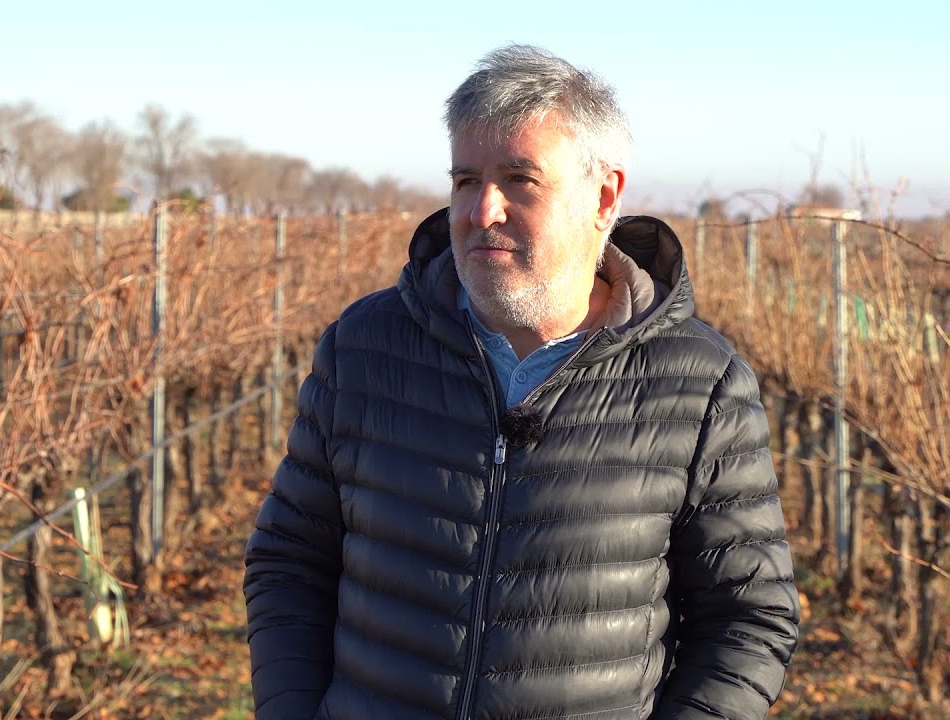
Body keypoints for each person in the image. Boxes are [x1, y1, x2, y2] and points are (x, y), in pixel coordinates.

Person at [244, 44, 799, 720]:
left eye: (519, 180)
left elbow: (747, 618)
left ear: (604, 196)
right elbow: (289, 560)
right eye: (465, 180)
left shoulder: (698, 384)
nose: (482, 211)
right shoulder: (365, 349)